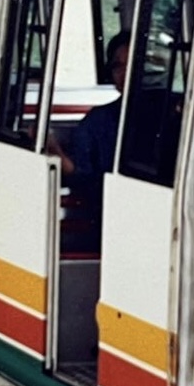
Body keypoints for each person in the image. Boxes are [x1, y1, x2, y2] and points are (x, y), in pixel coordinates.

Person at [50, 32, 129, 248]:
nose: (125, 73)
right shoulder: (97, 121)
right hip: (110, 220)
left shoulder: (172, 115)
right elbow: (81, 177)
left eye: (133, 65)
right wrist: (54, 150)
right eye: (117, 66)